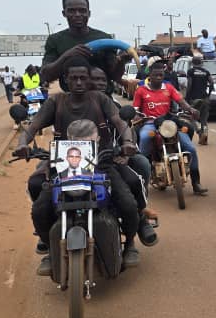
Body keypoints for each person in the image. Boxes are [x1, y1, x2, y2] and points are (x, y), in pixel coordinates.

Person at [14, 56, 143, 273]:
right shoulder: (56, 102)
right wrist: (22, 143)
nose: (79, 83)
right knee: (40, 209)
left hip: (101, 164)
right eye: (74, 78)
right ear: (66, 79)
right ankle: (47, 249)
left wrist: (128, 142)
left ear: (89, 80)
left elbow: (120, 123)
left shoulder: (100, 99)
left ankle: (129, 244)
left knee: (128, 205)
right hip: (63, 167)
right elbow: (33, 126)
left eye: (83, 78)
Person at [89, 66, 157, 245]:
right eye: (94, 80)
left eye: (103, 80)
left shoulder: (115, 106)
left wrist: (126, 150)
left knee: (141, 163)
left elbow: (128, 130)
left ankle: (140, 216)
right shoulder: (71, 104)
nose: (99, 84)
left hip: (112, 156)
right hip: (79, 161)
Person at [132, 61, 207, 195]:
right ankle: (143, 173)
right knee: (144, 138)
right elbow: (136, 109)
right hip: (150, 123)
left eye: (161, 74)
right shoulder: (141, 90)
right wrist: (137, 116)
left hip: (168, 123)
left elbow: (181, 101)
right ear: (150, 74)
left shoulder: (169, 87)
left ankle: (196, 182)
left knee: (190, 148)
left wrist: (190, 109)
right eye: (156, 74)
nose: (159, 77)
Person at [40, 0, 130, 94]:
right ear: (64, 13)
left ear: (89, 13)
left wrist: (121, 62)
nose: (77, 15)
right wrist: (67, 56)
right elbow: (46, 75)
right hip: (71, 101)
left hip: (102, 100)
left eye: (82, 11)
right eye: (72, 11)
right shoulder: (55, 40)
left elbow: (114, 76)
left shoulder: (105, 38)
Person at [186, 52, 214, 145]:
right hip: (205, 98)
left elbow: (189, 85)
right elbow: (212, 83)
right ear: (201, 63)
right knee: (204, 119)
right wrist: (208, 94)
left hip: (194, 99)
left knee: (191, 117)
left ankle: (199, 132)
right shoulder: (206, 72)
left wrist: (187, 97)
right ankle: (204, 135)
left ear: (192, 63)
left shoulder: (191, 71)